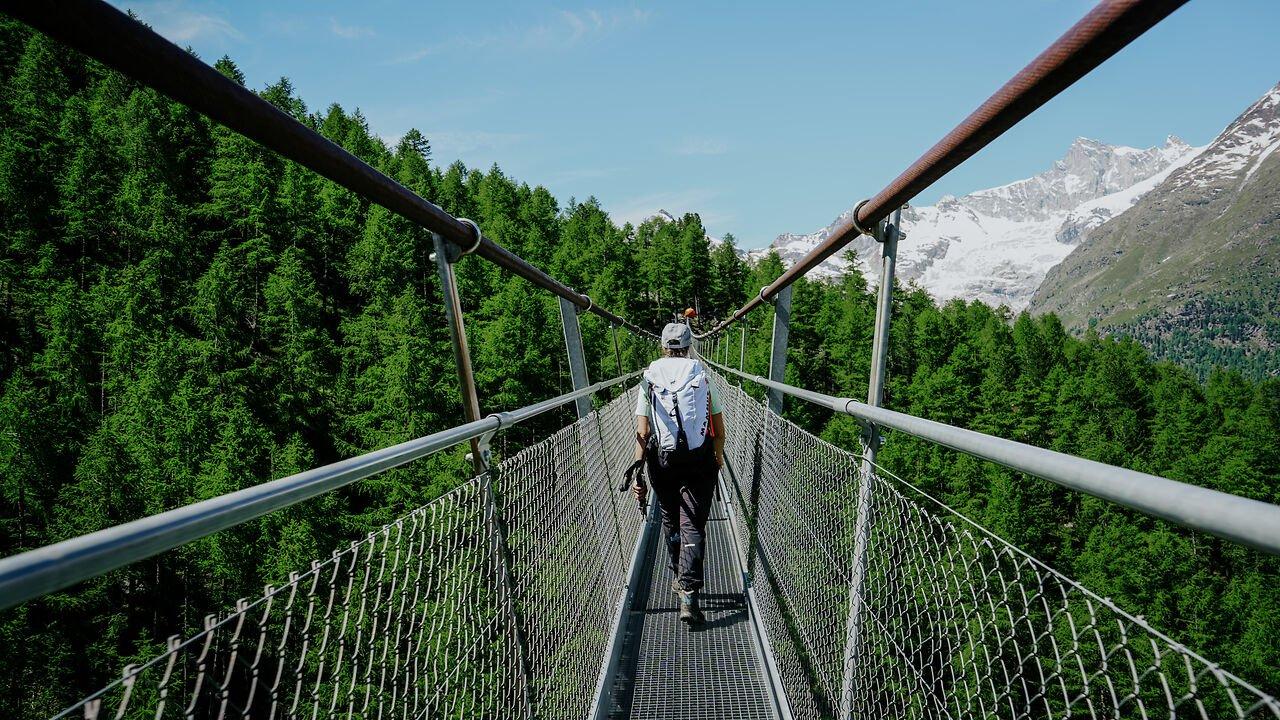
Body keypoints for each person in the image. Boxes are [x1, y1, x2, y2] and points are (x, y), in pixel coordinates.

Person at [631, 322, 726, 626]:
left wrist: (638, 473)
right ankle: (689, 595)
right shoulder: (701, 377)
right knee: (693, 524)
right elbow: (719, 428)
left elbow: (643, 432)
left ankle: (678, 575)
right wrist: (718, 455)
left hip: (663, 461)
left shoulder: (650, 379)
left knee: (671, 520)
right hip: (699, 459)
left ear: (663, 347)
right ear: (689, 347)